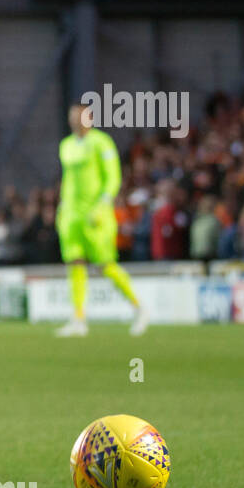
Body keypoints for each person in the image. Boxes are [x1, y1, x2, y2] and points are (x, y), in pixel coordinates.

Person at [54, 104, 147, 337]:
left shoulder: (102, 142)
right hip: (72, 215)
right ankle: (78, 319)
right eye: (72, 115)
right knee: (74, 263)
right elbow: (68, 180)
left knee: (104, 265)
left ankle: (139, 307)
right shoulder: (65, 146)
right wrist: (63, 207)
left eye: (79, 115)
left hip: (96, 215)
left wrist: (102, 205)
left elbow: (112, 177)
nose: (75, 119)